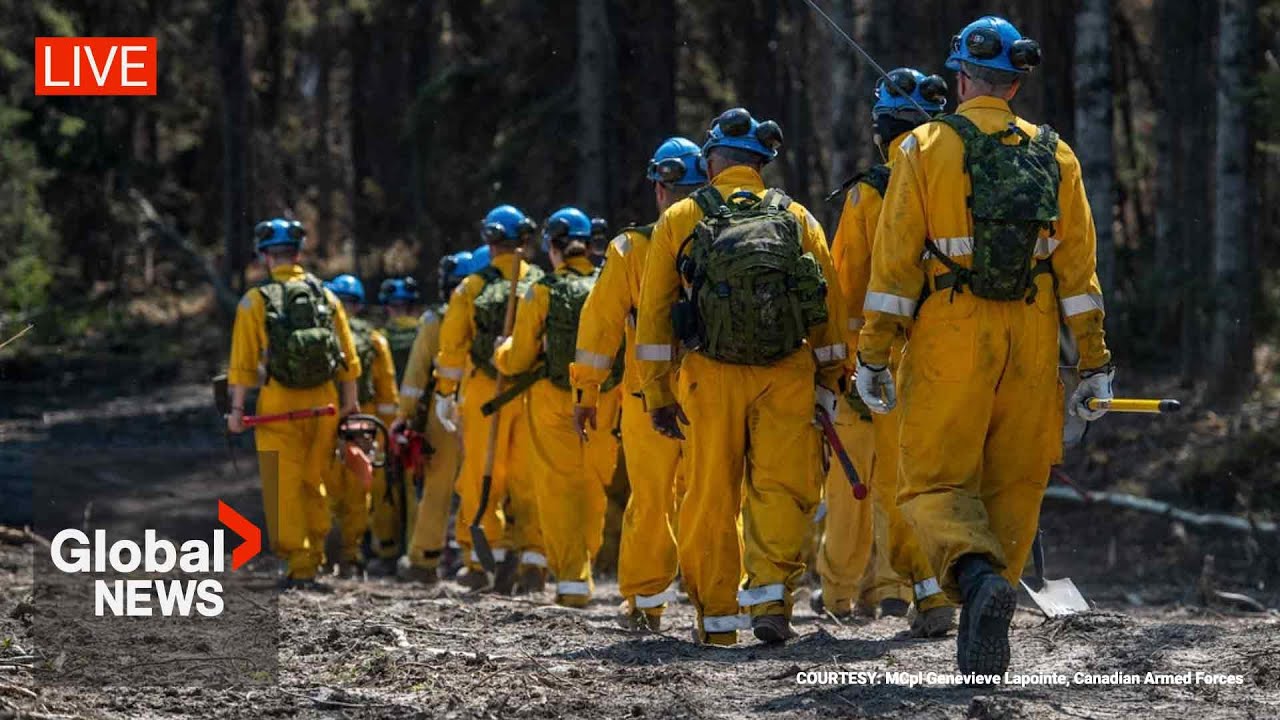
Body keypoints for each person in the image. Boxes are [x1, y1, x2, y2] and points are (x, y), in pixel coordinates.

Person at [856, 16, 1114, 675]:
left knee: (932, 479)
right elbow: (1080, 275)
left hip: (950, 330)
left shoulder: (921, 147)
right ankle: (983, 621)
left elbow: (893, 272)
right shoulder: (1056, 154)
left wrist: (874, 353)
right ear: (1018, 82)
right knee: (1015, 483)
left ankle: (975, 580)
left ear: (960, 76)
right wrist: (1092, 362)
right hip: (1032, 336)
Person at [635, 109, 848, 645]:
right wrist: (831, 380)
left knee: (710, 494)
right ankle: (773, 598)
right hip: (788, 372)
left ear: (710, 161)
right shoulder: (798, 218)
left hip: (709, 374)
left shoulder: (681, 217)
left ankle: (718, 620)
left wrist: (658, 392)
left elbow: (656, 312)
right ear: (762, 163)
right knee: (781, 489)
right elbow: (828, 307)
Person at [816, 68, 955, 636]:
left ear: (881, 126)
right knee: (933, 478)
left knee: (867, 481)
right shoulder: (953, 176)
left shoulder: (870, 190)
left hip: (878, 357)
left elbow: (846, 285)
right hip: (952, 356)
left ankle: (857, 592)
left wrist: (843, 363)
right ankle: (925, 587)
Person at [571, 137, 705, 631]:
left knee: (651, 497)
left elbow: (599, 327)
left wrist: (585, 393)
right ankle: (714, 605)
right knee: (711, 494)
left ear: (659, 189)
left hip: (645, 394)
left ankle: (646, 603)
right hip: (713, 391)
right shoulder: (723, 232)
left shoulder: (630, 247)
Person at [494, 207, 622, 608]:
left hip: (552, 398)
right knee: (594, 486)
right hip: (604, 397)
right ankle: (590, 559)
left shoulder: (542, 290)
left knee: (558, 488)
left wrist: (502, 353)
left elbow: (517, 361)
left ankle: (571, 580)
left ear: (554, 247)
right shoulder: (610, 283)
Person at [226, 218, 361, 589]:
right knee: (314, 478)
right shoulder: (327, 296)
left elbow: (242, 364)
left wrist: (237, 411)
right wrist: (350, 403)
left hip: (277, 404)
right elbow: (348, 356)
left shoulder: (255, 300)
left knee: (282, 484)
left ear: (265, 256)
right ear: (298, 253)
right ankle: (316, 552)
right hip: (325, 402)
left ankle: (299, 560)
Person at [434, 206, 547, 592]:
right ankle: (534, 558)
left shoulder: (471, 287)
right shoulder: (542, 282)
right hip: (532, 392)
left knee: (481, 477)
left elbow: (452, 347)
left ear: (489, 240)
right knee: (529, 478)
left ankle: (481, 560)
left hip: (486, 392)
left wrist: (445, 394)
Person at [393, 251, 478, 584]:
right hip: (480, 409)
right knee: (481, 485)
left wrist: (404, 417)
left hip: (441, 414)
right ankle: (482, 559)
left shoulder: (434, 321)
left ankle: (423, 560)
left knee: (437, 487)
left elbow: (416, 376)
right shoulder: (486, 315)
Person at [322, 274, 400, 578]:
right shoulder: (373, 338)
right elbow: (387, 390)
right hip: (362, 420)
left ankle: (321, 551)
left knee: (326, 485)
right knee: (358, 488)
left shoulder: (326, 336)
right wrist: (389, 429)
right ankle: (351, 555)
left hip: (327, 414)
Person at [358, 277, 420, 574]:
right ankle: (417, 549)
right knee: (416, 486)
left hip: (383, 424)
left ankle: (386, 550)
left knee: (383, 487)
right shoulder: (426, 333)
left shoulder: (377, 337)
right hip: (420, 422)